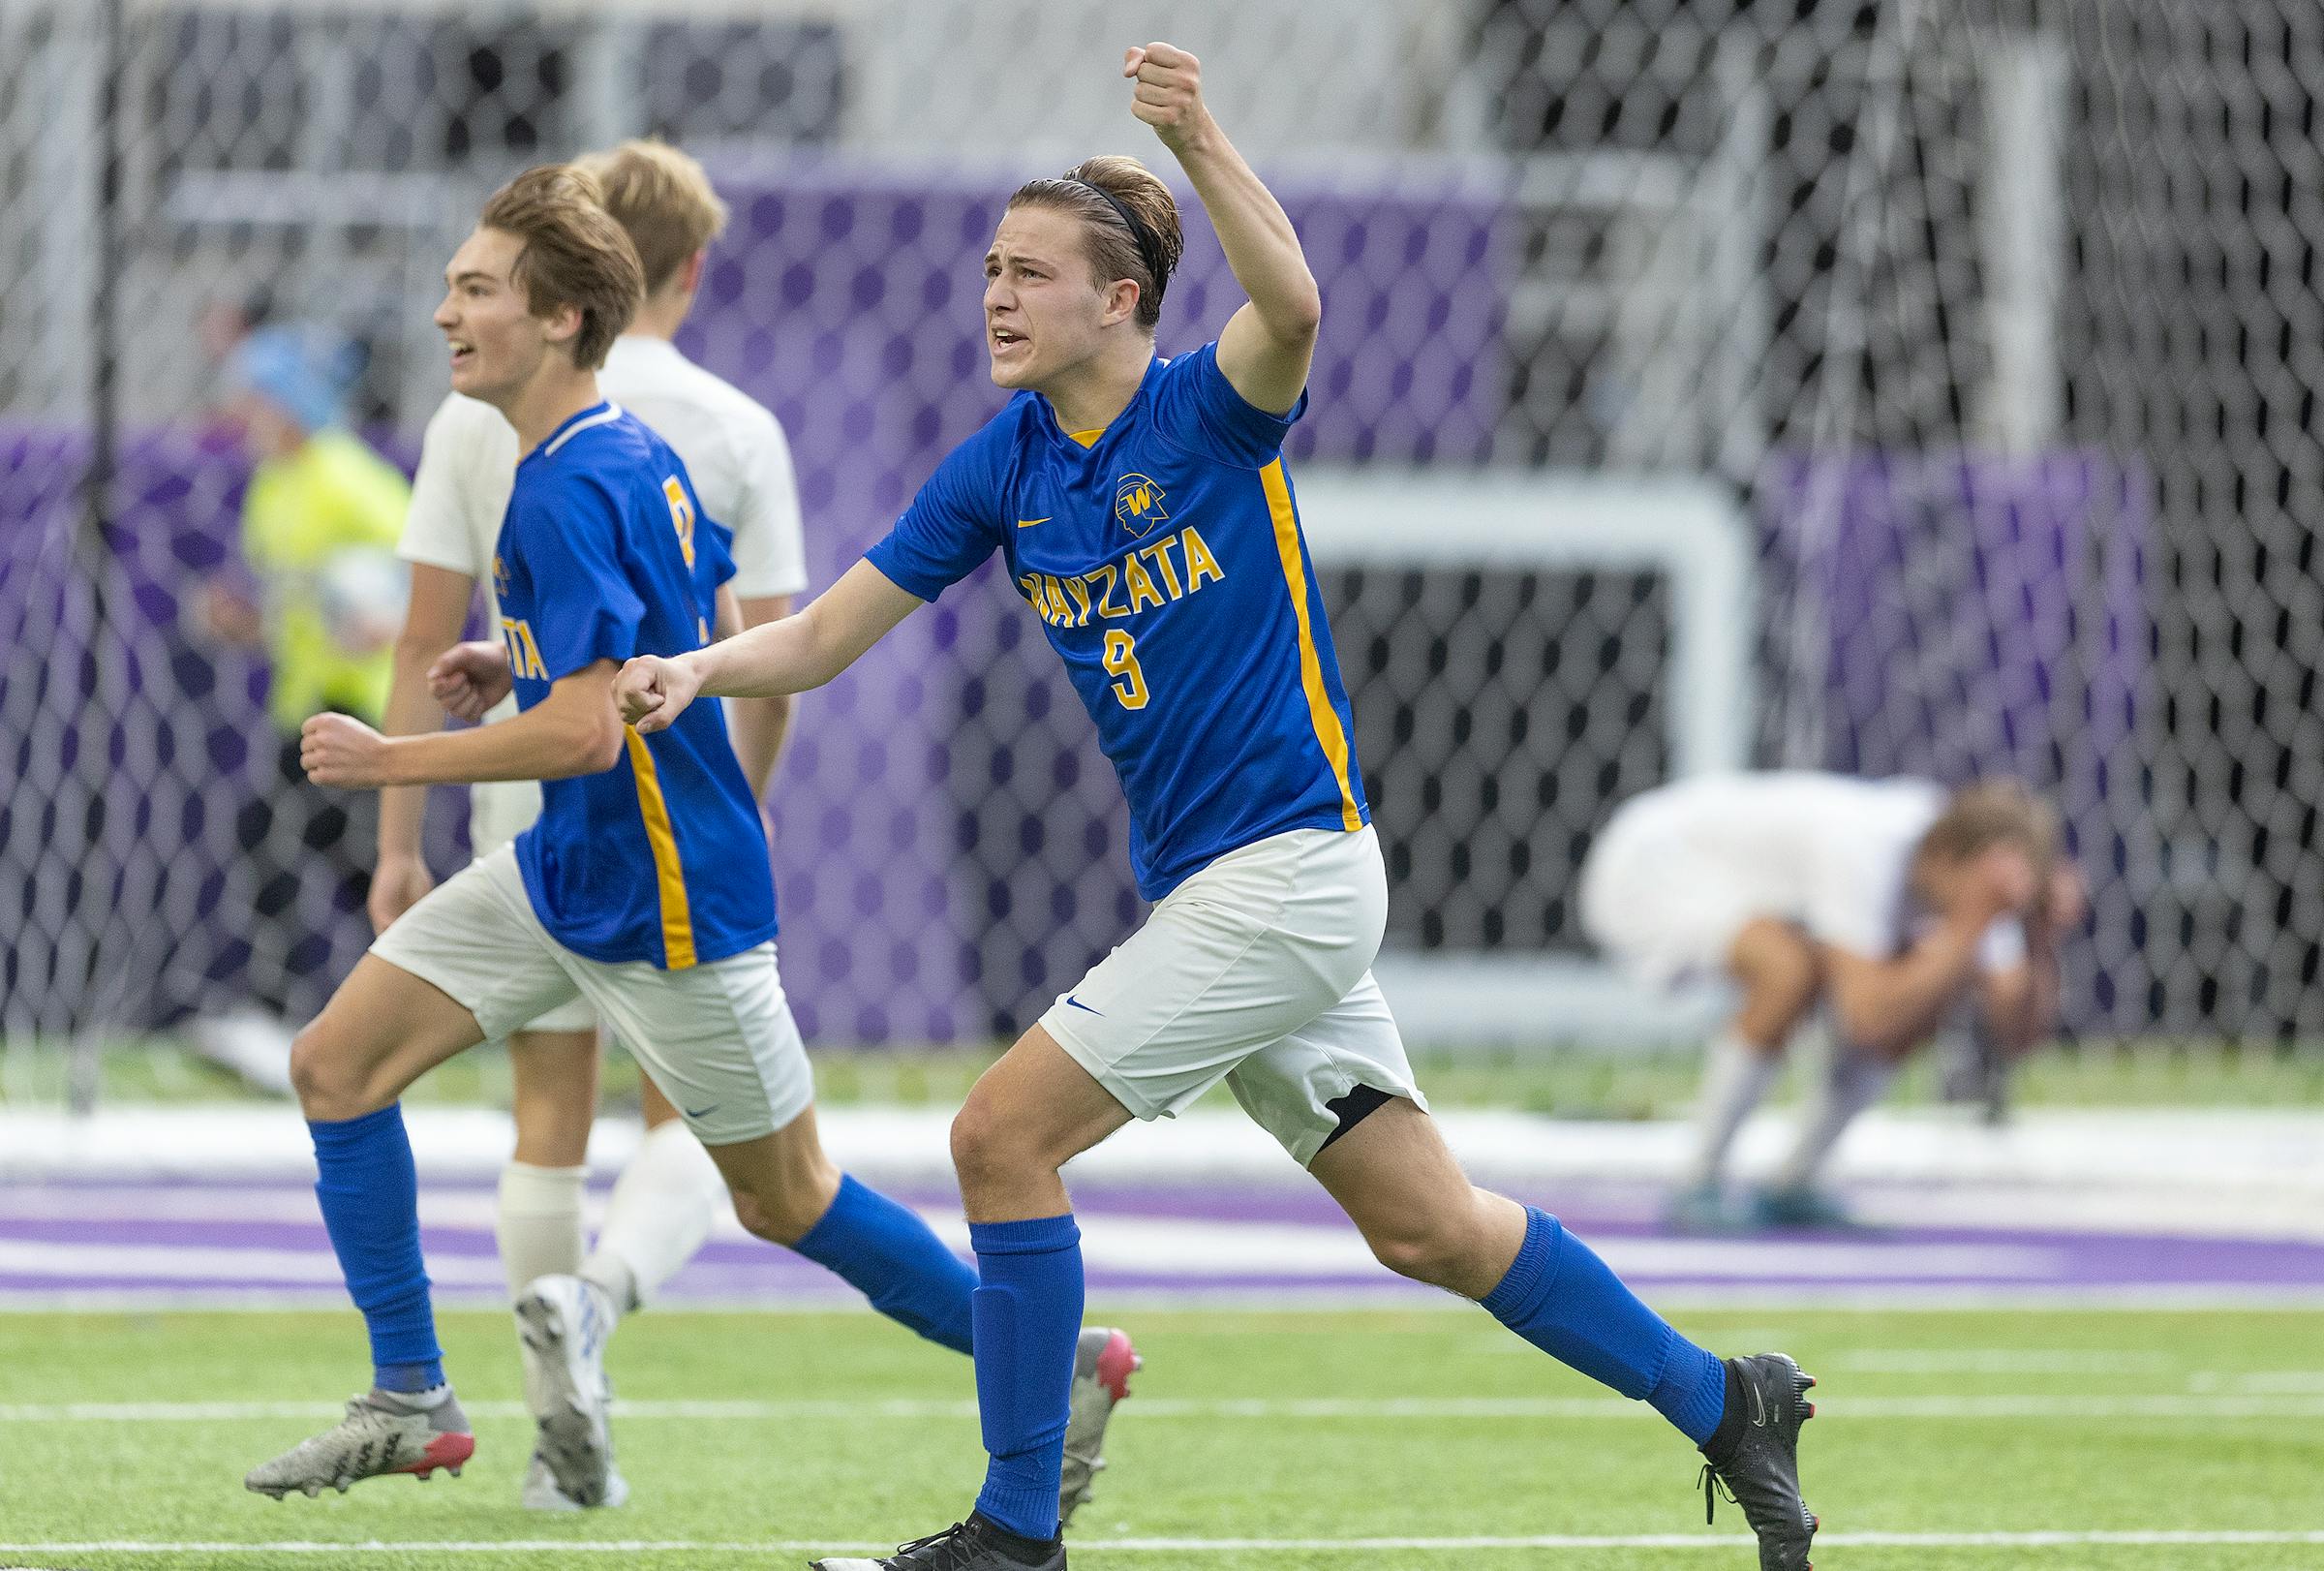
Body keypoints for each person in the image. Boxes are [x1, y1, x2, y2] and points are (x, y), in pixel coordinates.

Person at [616, 44, 1819, 1571]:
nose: (994, 294)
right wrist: (692, 667)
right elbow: (828, 633)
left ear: (1117, 300)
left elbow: (1297, 307)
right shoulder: (1004, 467)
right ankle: (1728, 1398)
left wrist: (1195, 134)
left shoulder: (1207, 411)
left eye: (1032, 272)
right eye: (990, 267)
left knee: (998, 1139)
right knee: (1431, 1227)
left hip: (1292, 879)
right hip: (1222, 895)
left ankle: (1013, 1533)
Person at [243, 166, 1130, 1523]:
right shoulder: (608, 452)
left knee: (791, 1199)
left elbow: (592, 735)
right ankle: (413, 1390)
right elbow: (657, 627)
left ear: (556, 318)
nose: (444, 314)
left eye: (474, 290)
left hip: (669, 902)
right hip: (565, 875)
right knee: (334, 1064)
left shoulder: (562, 484)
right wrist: (512, 653)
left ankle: (1056, 1365)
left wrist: (395, 755)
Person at [378, 139, 808, 1512]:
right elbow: (757, 654)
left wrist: (397, 832)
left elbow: (422, 633)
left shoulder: (480, 418)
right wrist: (739, 806)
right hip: (668, 822)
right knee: (695, 1123)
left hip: (526, 806)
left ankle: (556, 1435)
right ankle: (602, 1316)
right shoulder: (730, 427)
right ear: (682, 268)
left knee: (542, 1115)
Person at [1578, 772, 2082, 1232]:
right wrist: (1970, 926)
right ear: (1949, 858)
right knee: (1790, 968)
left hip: (1732, 887)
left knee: (1922, 991)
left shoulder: (1979, 879)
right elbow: (1865, 1018)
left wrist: (2038, 936)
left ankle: (1795, 1180)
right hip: (1652, 864)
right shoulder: (1863, 844)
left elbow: (2018, 1035)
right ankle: (1699, 1178)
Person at [191, 325, 411, 1094]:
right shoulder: (271, 489)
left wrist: (392, 616)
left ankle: (278, 1011)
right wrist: (239, 624)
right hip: (306, 703)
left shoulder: (345, 474)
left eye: (252, 399)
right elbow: (291, 613)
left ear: (287, 402)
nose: (241, 415)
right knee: (344, 862)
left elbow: (425, 565)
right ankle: (412, 1004)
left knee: (281, 841)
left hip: (369, 707)